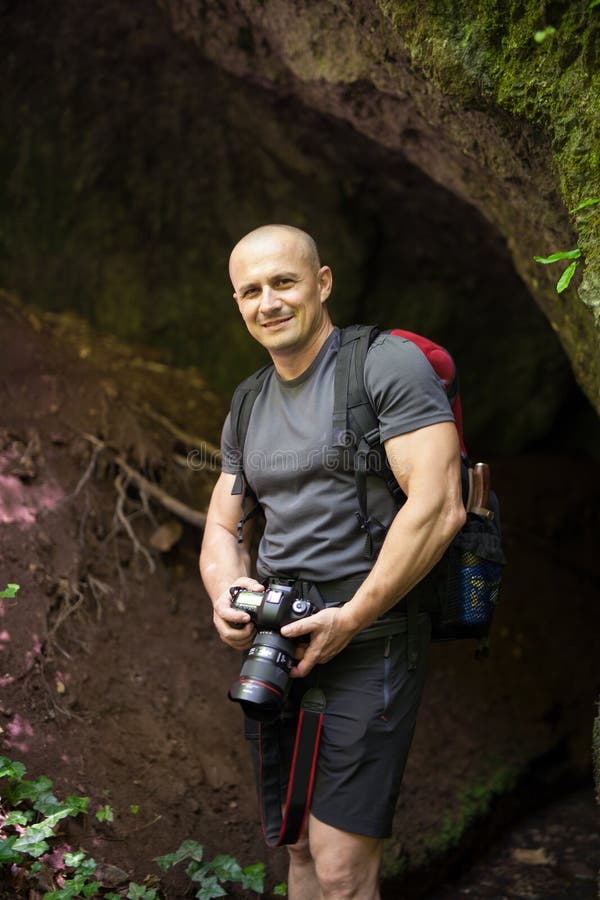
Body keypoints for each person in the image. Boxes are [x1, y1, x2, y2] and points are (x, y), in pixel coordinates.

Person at [199, 224, 465, 900]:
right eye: (250, 291)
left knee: (344, 868)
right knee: (302, 855)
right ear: (237, 302)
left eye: (283, 282)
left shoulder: (382, 366)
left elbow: (438, 505)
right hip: (281, 644)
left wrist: (353, 616)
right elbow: (223, 524)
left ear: (322, 283)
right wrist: (226, 590)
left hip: (372, 636)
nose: (268, 302)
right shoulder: (249, 401)